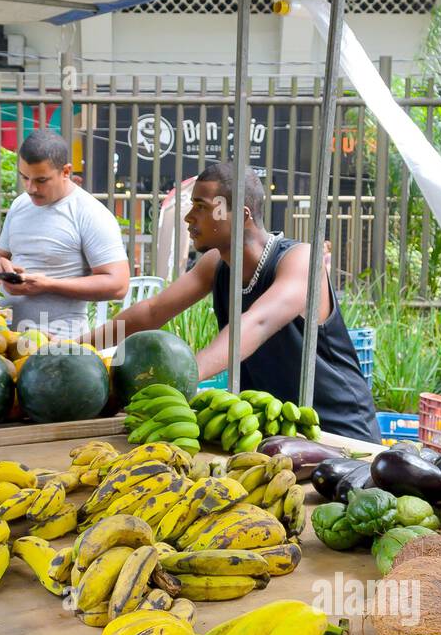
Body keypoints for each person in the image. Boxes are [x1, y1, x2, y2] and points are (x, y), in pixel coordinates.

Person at [83, 162, 380, 443]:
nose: (189, 218)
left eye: (201, 207)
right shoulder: (216, 264)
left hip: (339, 432)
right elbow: (151, 312)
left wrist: (176, 381)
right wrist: (79, 346)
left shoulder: (301, 260)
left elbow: (256, 323)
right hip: (275, 432)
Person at [0, 130, 129, 337]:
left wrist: (48, 285)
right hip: (6, 338)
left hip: (59, 345)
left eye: (41, 180)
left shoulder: (90, 213)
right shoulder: (20, 204)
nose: (30, 188)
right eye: (25, 177)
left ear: (66, 171)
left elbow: (118, 284)